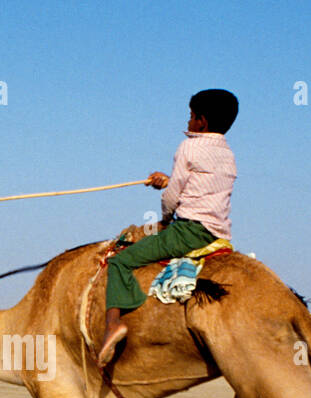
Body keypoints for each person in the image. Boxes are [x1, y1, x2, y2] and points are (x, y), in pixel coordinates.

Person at [98, 89, 238, 365]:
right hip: (217, 232)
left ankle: (114, 323)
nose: (187, 122)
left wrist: (164, 218)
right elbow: (196, 183)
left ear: (201, 122)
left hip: (187, 230)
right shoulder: (227, 153)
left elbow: (173, 196)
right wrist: (168, 179)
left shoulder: (188, 146)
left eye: (190, 116)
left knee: (120, 260)